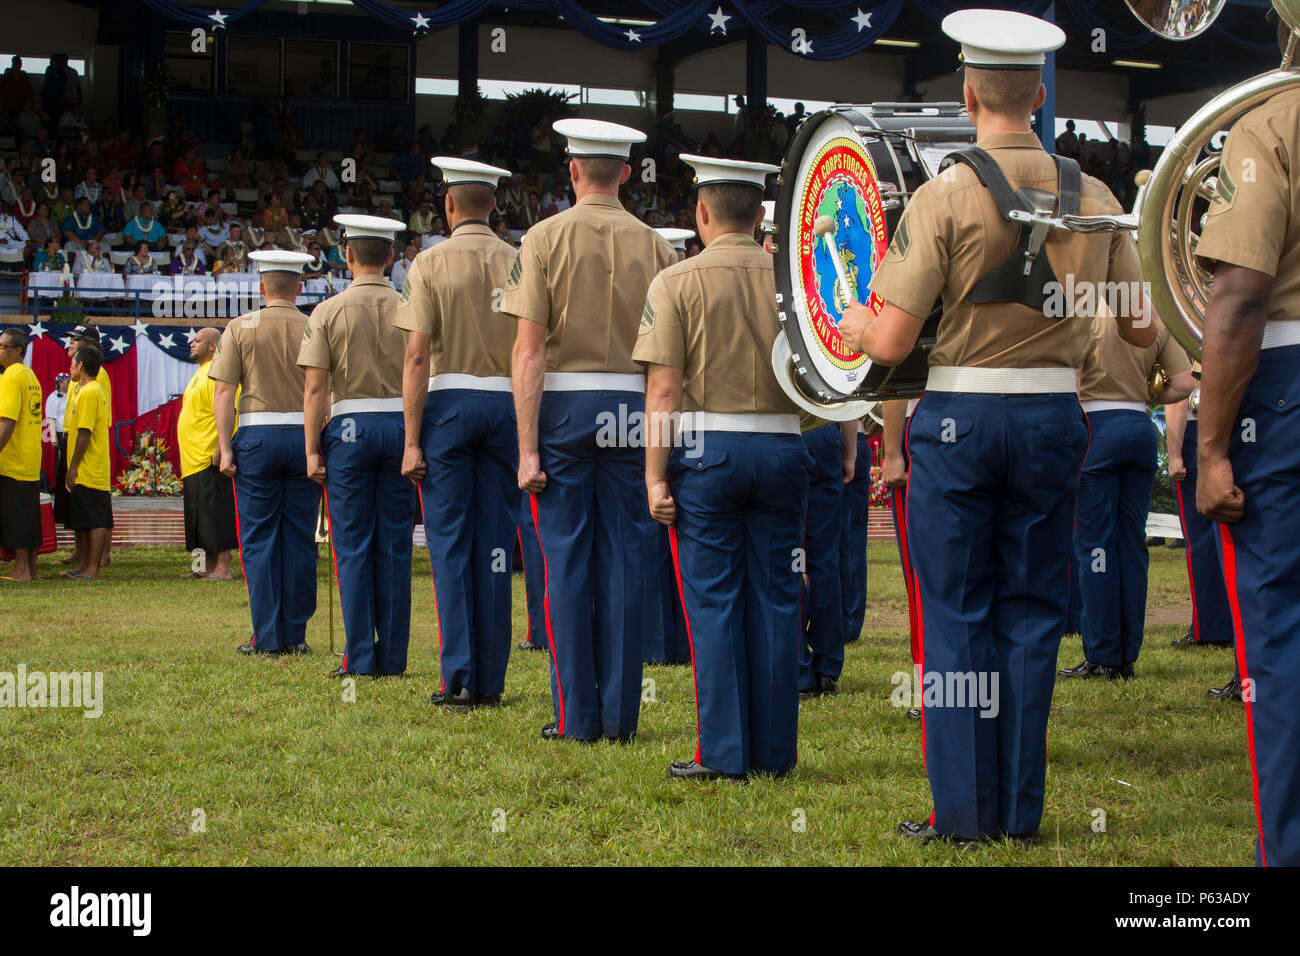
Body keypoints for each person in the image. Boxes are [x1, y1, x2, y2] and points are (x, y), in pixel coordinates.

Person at [836, 9, 1156, 844]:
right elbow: (1141, 330)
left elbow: (895, 340)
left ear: (970, 92)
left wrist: (848, 314)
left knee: (956, 615)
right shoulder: (1096, 194)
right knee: (1033, 612)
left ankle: (965, 814)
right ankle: (1019, 812)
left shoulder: (945, 192)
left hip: (961, 421)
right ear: (1041, 95)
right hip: (1056, 416)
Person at [502, 118, 676, 742]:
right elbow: (668, 362)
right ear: (626, 173)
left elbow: (528, 353)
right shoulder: (660, 247)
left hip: (566, 413)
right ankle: (621, 716)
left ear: (572, 171)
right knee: (631, 562)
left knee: (567, 562)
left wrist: (526, 449)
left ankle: (577, 716)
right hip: (633, 411)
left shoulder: (541, 239)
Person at [635, 153, 806, 779]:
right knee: (777, 599)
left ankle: (724, 751)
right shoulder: (795, 278)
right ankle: (774, 752)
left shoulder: (676, 282)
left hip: (707, 454)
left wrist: (655, 474)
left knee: (713, 604)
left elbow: (663, 392)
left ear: (702, 213)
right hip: (785, 448)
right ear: (760, 214)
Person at [1193, 18, 1300, 865]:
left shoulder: (1271, 121)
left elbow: (1238, 298)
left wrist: (1213, 447)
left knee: (1282, 630)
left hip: (1289, 388)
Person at [397, 159, 518, 704]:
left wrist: (411, 439)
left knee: (450, 547)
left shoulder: (429, 263)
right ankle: (491, 679)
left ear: (448, 206)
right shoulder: (521, 261)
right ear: (493, 204)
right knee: (494, 546)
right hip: (507, 409)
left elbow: (417, 355)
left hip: (447, 408)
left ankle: (461, 676)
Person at [300, 215, 415, 677]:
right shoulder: (411, 303)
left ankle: (360, 657)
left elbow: (314, 389)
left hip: (350, 428)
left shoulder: (327, 311)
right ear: (390, 257)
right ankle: (393, 656)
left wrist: (311, 449)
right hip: (401, 427)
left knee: (352, 545)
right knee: (395, 545)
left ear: (347, 255)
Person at [1060, 317, 1193, 680]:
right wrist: (1143, 392)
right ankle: (1127, 654)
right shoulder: (1150, 313)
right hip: (1139, 427)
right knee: (1132, 546)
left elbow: (1066, 380)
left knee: (1096, 547)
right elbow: (1183, 382)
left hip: (1096, 428)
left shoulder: (1081, 309)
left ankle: (1103, 654)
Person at [211, 250, 320, 656]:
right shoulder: (314, 324)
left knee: (259, 540)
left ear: (262, 287)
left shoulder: (239, 327)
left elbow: (224, 391)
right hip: (304, 439)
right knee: (300, 538)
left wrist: (225, 449)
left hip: (257, 437)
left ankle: (268, 637)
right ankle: (295, 634)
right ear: (299, 287)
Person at [1165, 372, 1234, 650]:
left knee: (1200, 540)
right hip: (1228, 425)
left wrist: (1174, 455)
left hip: (1195, 429)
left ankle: (1209, 628)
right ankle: (1227, 621)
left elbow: (1179, 396)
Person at [178, 328, 238, 581]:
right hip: (191, 461)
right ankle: (201, 566)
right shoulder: (199, 374)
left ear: (213, 345)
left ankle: (223, 568)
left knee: (216, 516)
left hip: (208, 457)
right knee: (197, 521)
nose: (192, 344)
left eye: (198, 340)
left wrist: (221, 448)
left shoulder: (218, 374)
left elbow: (231, 411)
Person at [882, 398, 922, 719]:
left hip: (929, 422)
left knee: (921, 574)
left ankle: (931, 690)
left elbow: (893, 365)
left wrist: (892, 452)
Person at [63, 345, 113, 580]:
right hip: (87, 465)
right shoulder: (86, 391)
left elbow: (85, 432)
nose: (70, 366)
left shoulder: (90, 391)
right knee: (83, 518)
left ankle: (92, 567)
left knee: (94, 519)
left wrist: (72, 466)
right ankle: (83, 565)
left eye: (73, 362)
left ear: (81, 365)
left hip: (91, 464)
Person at [0, 328, 43, 582]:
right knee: (27, 513)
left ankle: (21, 569)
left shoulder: (11, 376)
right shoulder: (30, 375)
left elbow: (7, 420)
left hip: (14, 457)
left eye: (3, 347)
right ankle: (31, 568)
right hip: (29, 455)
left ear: (17, 350)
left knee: (15, 515)